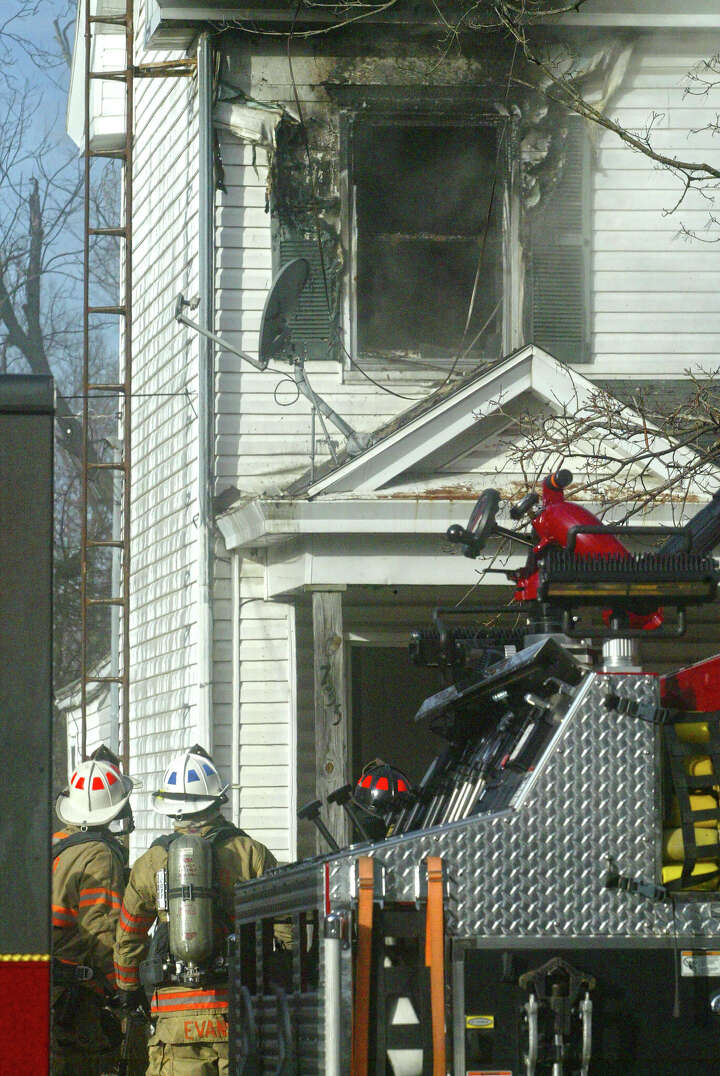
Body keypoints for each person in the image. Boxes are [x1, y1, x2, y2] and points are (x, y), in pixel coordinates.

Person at [114, 744, 279, 1075]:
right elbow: (282, 927)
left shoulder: (150, 863)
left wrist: (130, 991)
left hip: (173, 1018)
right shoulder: (251, 854)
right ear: (217, 800)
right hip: (236, 1010)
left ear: (170, 808)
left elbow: (129, 938)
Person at [52, 746, 135, 1075]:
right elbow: (101, 934)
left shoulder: (55, 842)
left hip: (47, 988)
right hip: (75, 1001)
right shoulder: (98, 854)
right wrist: (124, 989)